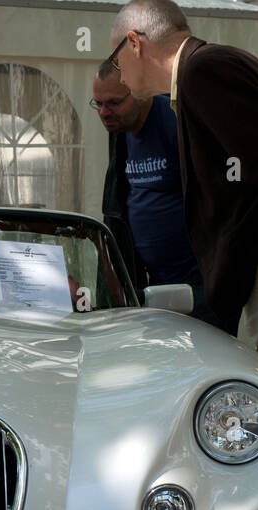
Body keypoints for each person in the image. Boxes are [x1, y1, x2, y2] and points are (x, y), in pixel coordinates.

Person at [109, 0, 258, 450]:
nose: (117, 72)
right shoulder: (207, 68)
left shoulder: (204, 71)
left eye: (115, 58)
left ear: (135, 44)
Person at [94, 62, 216, 326]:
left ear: (139, 91)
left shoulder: (175, 121)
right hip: (151, 283)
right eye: (98, 104)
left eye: (113, 102)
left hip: (200, 284)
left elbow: (217, 193)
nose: (104, 112)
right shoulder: (120, 131)